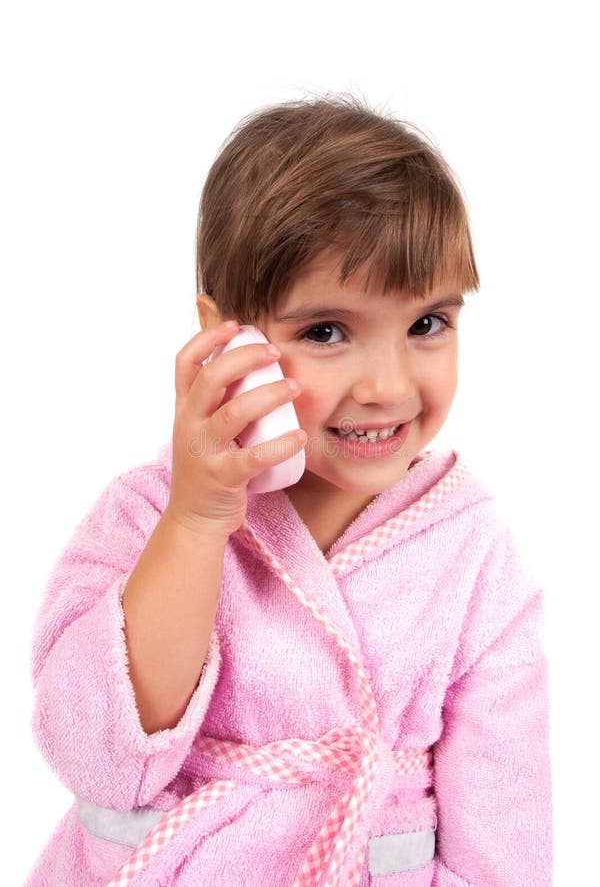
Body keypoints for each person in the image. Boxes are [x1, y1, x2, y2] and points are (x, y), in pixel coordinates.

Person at [26, 94, 553, 886]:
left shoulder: (474, 556)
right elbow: (95, 756)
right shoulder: (144, 516)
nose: (388, 384)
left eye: (428, 324)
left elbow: (505, 835)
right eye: (327, 332)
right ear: (222, 334)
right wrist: (198, 523)